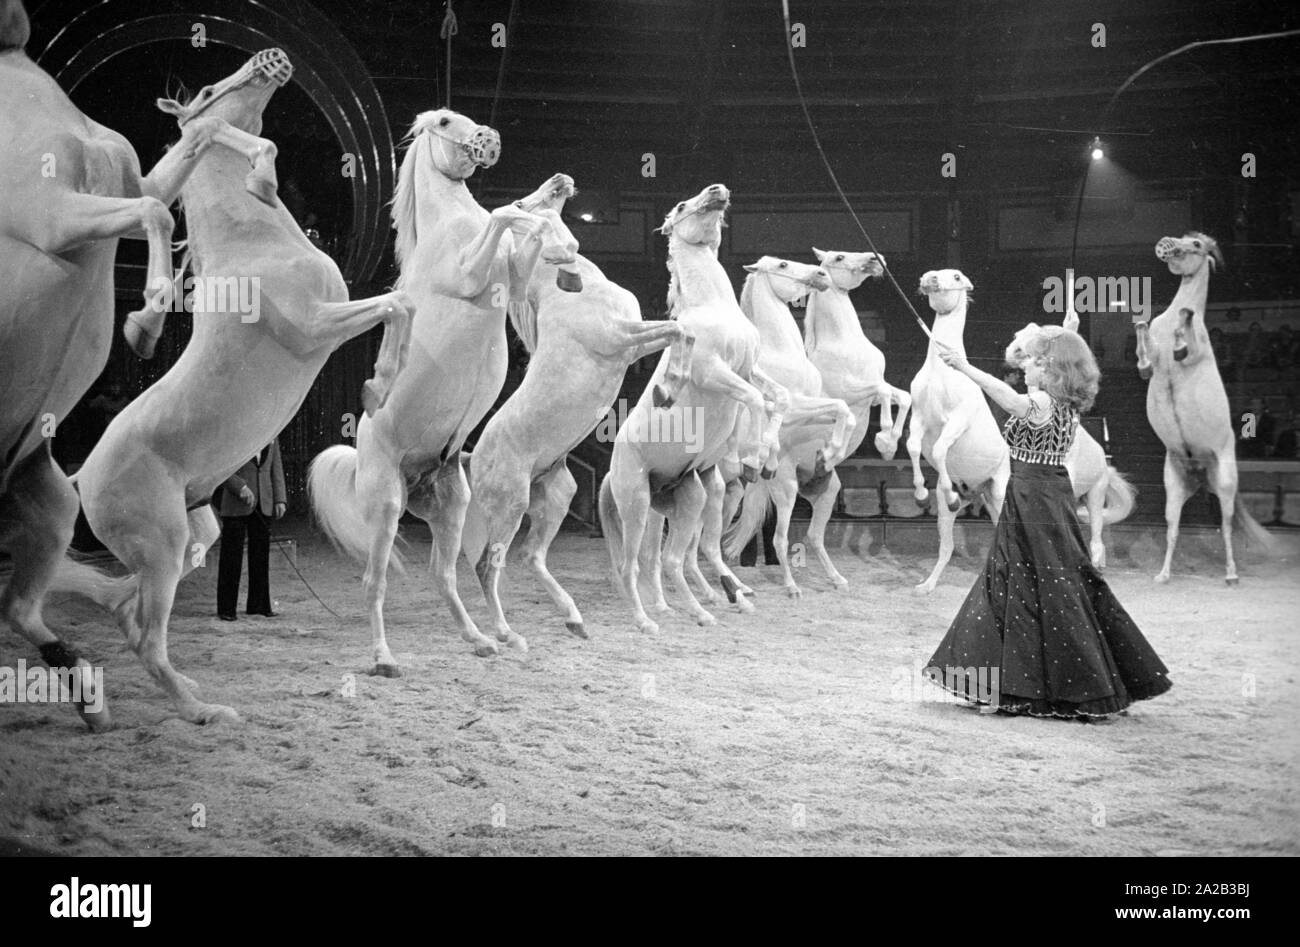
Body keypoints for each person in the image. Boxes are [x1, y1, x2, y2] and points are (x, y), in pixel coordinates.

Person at [924, 326, 1172, 719]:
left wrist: (965, 367)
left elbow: (1007, 399)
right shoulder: (1063, 403)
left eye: (1035, 361)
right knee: (1050, 584)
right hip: (1044, 495)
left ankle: (1016, 689)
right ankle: (1021, 686)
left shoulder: (1040, 401)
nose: (1025, 366)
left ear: (1052, 368)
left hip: (1034, 498)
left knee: (1024, 584)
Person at [216, 438, 286, 620]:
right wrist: (239, 487)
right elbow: (222, 467)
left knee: (260, 556)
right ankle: (226, 609)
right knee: (231, 558)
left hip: (264, 502)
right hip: (236, 502)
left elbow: (275, 465)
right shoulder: (237, 431)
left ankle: (259, 605)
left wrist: (280, 498)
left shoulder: (272, 429)